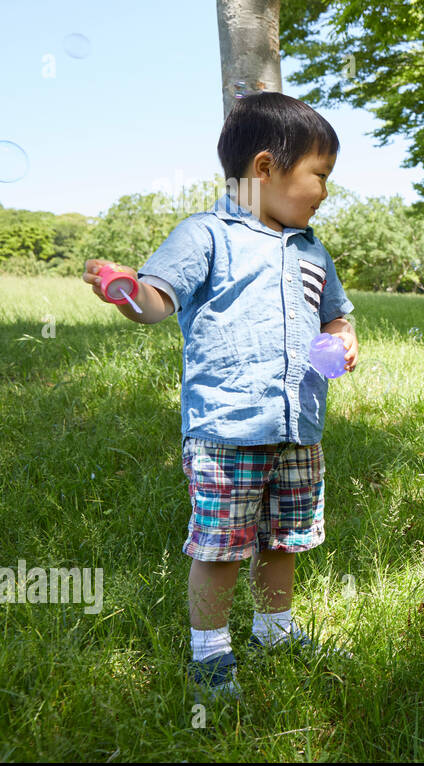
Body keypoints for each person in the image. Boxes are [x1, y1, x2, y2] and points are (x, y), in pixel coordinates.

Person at [83, 92, 358, 700]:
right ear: (266, 168)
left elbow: (336, 316)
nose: (324, 191)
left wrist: (342, 338)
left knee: (285, 538)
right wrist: (127, 291)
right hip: (228, 427)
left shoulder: (312, 250)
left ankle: (274, 629)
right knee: (221, 546)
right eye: (320, 175)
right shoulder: (204, 235)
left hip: (298, 426)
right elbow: (156, 301)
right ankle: (209, 651)